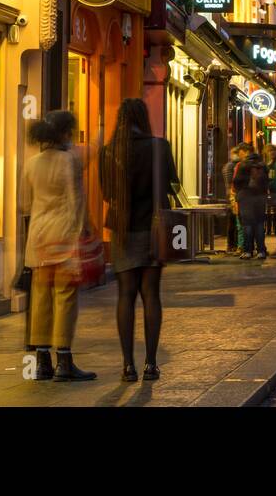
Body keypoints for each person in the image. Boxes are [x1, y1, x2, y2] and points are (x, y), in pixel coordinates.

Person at [101, 98, 180, 382]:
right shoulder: (159, 147)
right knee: (151, 295)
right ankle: (150, 363)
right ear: (143, 118)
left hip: (123, 230)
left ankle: (127, 365)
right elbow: (173, 184)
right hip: (153, 229)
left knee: (125, 295)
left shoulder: (109, 151)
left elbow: (107, 193)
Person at [20, 111, 95, 381]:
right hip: (63, 238)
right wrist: (82, 233)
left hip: (38, 239)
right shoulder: (69, 161)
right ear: (65, 133)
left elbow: (24, 204)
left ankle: (42, 362)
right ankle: (64, 360)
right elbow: (76, 202)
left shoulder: (31, 163)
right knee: (65, 297)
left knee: (40, 298)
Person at [232, 146, 269, 260]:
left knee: (247, 225)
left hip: (246, 198)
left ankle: (248, 251)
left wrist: (238, 193)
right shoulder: (263, 165)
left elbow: (236, 182)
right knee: (259, 224)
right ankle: (261, 251)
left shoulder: (242, 165)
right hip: (260, 198)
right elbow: (267, 181)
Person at [222, 143, 250, 253]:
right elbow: (231, 183)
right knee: (234, 222)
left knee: (234, 222)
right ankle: (233, 245)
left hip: (233, 195)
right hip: (233, 196)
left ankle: (233, 245)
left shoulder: (232, 165)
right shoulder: (233, 166)